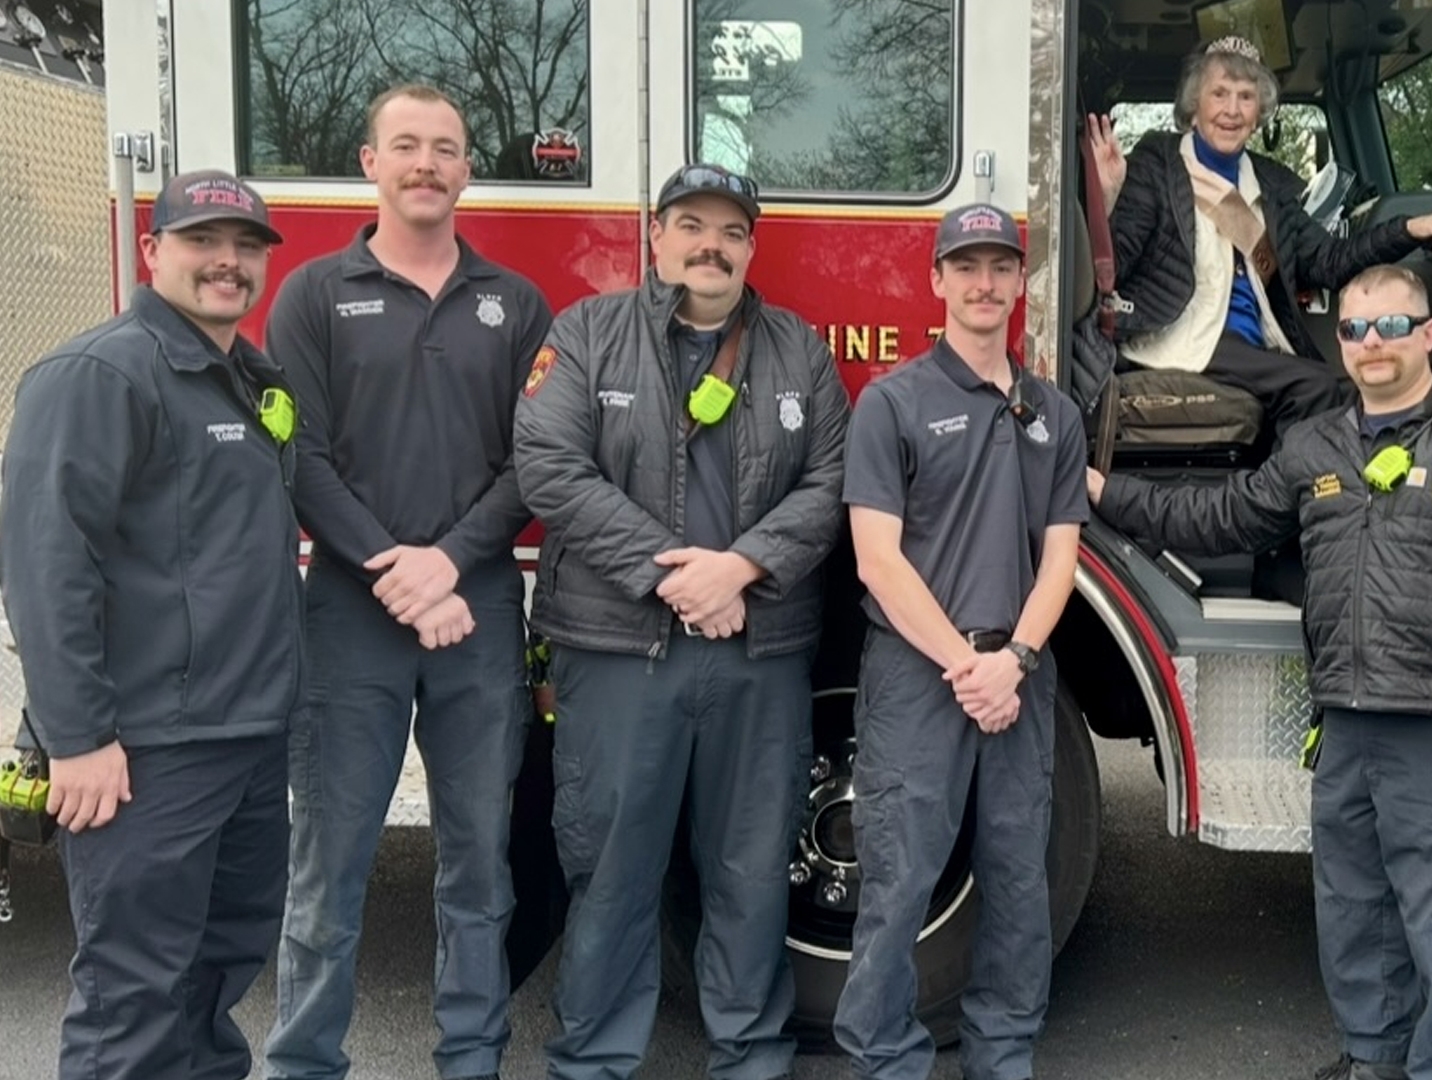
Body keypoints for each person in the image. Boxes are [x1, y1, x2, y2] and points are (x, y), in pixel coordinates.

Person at [1088, 264, 1432, 1080]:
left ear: (1430, 335)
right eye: (1354, 329)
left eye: (1392, 326)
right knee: (1356, 913)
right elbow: (1215, 514)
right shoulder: (1317, 445)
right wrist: (1100, 489)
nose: (1372, 344)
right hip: (1345, 724)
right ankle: (1372, 1060)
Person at [513, 162, 850, 1080]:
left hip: (758, 654)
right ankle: (592, 1061)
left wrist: (743, 566)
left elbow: (832, 484)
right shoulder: (585, 335)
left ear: (751, 247)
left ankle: (749, 1058)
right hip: (624, 654)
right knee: (613, 874)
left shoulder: (800, 351)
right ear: (655, 236)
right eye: (691, 225)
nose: (711, 244)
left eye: (731, 230)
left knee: (749, 877)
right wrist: (676, 577)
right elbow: (547, 465)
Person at [261, 84, 553, 1080]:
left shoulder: (516, 305)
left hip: (474, 608)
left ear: (469, 169)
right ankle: (304, 1063)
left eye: (447, 148)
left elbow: (535, 462)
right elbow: (297, 458)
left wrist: (447, 562)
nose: (427, 164)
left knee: (479, 864)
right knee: (328, 866)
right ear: (370, 162)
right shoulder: (310, 294)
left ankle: (470, 1059)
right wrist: (392, 568)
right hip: (351, 613)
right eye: (407, 147)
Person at [0, 169, 301, 1080]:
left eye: (246, 247)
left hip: (245, 740)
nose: (227, 263)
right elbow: (46, 569)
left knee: (216, 978)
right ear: (150, 251)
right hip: (147, 752)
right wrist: (79, 738)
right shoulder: (98, 374)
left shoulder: (247, 377)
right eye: (203, 242)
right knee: (133, 994)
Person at [832, 203, 1089, 1080]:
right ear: (936, 280)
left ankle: (1002, 1058)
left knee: (1018, 886)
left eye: (1001, 268)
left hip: (1016, 673)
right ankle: (882, 1059)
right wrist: (965, 666)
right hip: (920, 674)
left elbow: (1061, 560)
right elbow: (876, 558)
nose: (985, 285)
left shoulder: (1053, 410)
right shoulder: (892, 403)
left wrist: (1012, 662)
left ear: (1021, 284)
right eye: (967, 267)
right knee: (899, 883)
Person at [1086, 35, 1432, 446]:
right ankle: (1286, 497)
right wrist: (1106, 201)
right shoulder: (1156, 165)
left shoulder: (1271, 182)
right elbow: (1114, 266)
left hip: (1252, 342)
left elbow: (1328, 262)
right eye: (1219, 94)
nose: (1232, 110)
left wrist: (1405, 230)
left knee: (1347, 387)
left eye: (1246, 97)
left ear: (1258, 112)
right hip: (1184, 334)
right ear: (1195, 105)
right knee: (1313, 386)